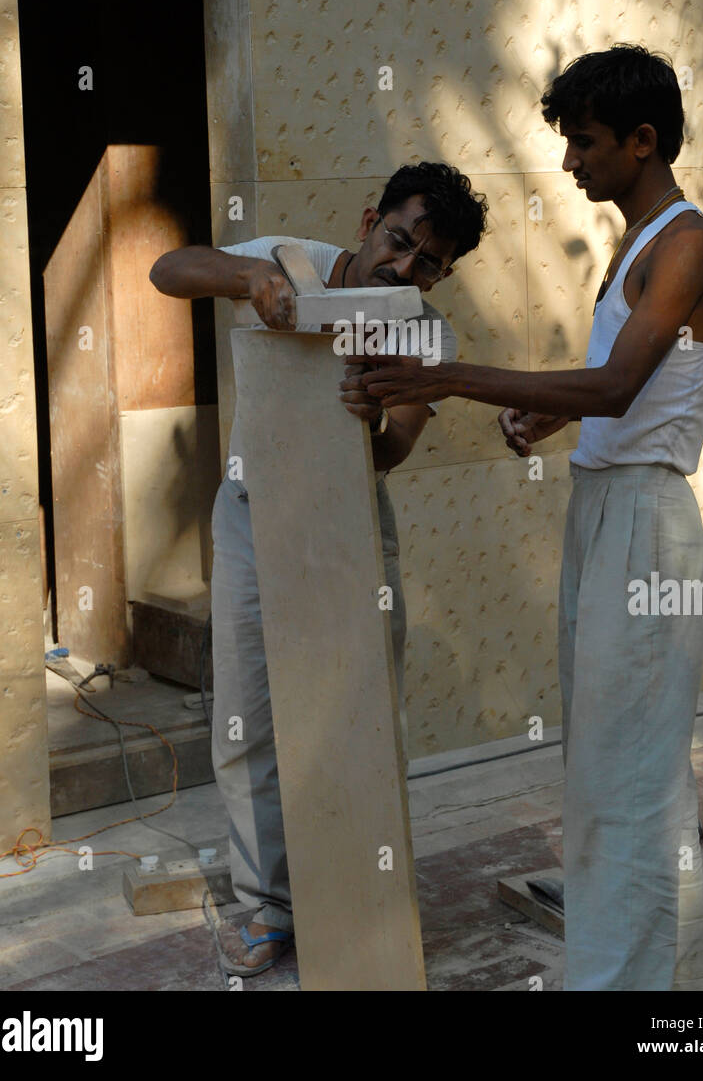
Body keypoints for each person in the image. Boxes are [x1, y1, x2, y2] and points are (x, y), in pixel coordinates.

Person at [357, 45, 703, 991]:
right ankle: (679, 991)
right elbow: (626, 385)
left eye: (587, 143)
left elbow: (615, 386)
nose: (570, 164)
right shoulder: (635, 244)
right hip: (605, 510)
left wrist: (446, 376)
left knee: (630, 786)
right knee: (618, 773)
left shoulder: (689, 242)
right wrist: (548, 411)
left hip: (648, 523)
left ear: (644, 142)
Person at [149, 162, 487, 975]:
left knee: (360, 716)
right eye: (399, 241)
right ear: (370, 218)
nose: (404, 268)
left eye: (428, 263)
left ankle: (358, 898)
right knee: (249, 716)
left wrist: (366, 425)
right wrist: (248, 273)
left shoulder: (419, 328)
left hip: (350, 523)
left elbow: (396, 448)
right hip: (252, 515)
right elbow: (169, 270)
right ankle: (267, 910)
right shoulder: (288, 259)